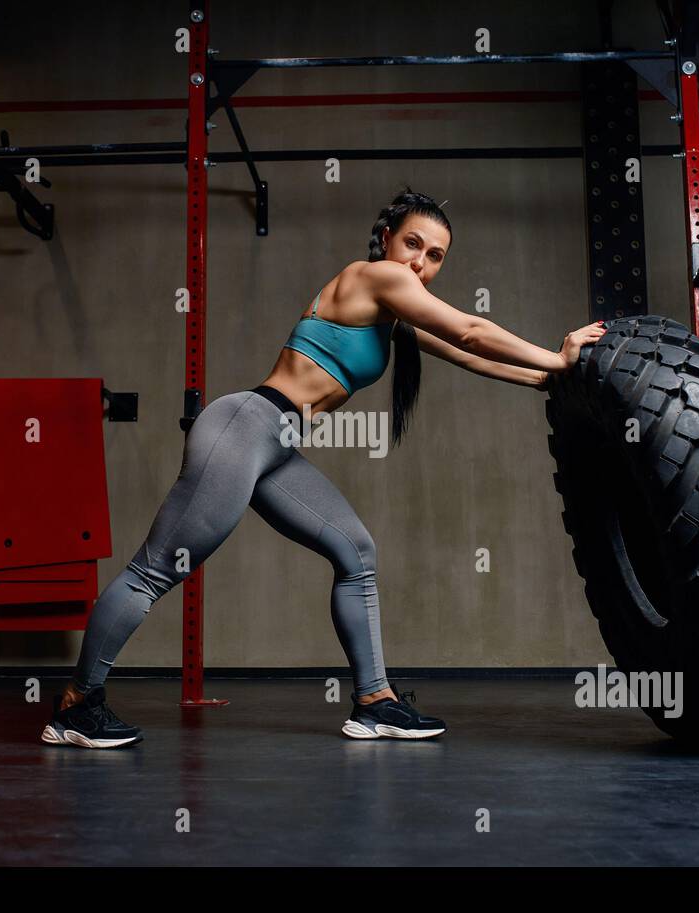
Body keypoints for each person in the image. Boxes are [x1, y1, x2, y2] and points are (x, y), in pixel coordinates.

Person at [41, 187, 606, 748]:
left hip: (276, 447)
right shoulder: (375, 276)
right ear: (386, 239)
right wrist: (556, 356)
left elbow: (464, 353)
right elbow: (470, 329)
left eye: (435, 256)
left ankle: (374, 702)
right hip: (245, 427)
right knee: (155, 570)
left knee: (355, 551)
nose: (421, 263)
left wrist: (549, 381)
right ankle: (76, 707)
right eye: (413, 243)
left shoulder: (392, 311)